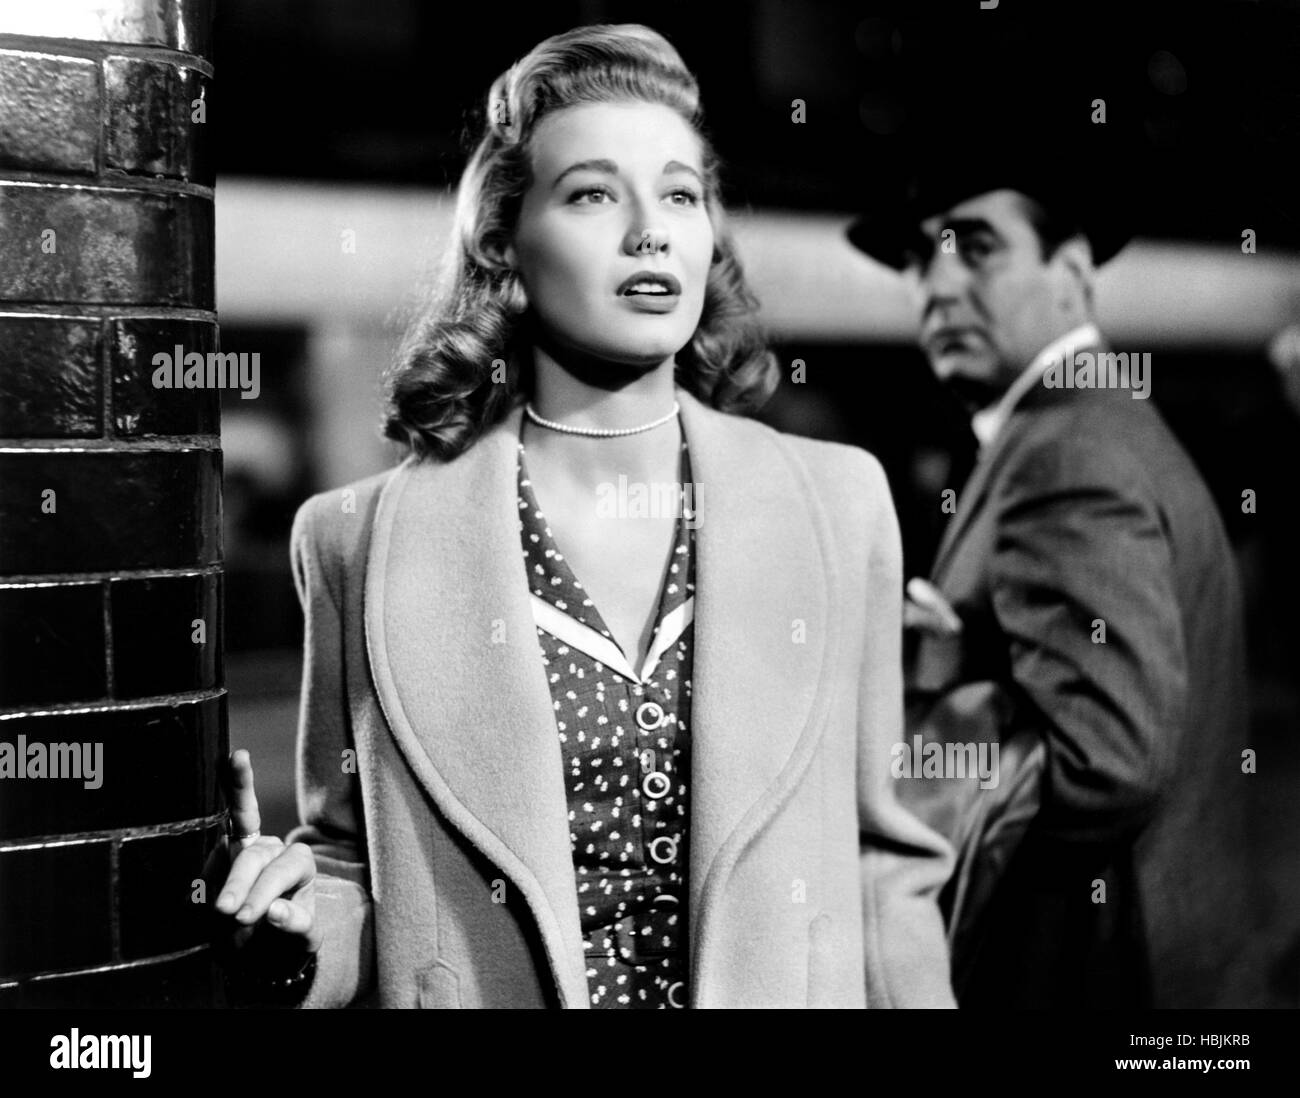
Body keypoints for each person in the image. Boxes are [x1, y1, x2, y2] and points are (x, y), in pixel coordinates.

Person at [211, 23, 955, 1009]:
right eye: (594, 193)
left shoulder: (837, 504)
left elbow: (879, 864)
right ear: (505, 242)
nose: (650, 230)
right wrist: (296, 928)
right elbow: (353, 866)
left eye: (681, 195)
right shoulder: (354, 541)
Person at [846, 137, 1258, 1007]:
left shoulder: (1066, 447)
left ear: (1071, 272)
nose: (939, 286)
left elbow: (1105, 760)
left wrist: (933, 697)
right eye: (921, 257)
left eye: (976, 245)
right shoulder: (1095, 422)